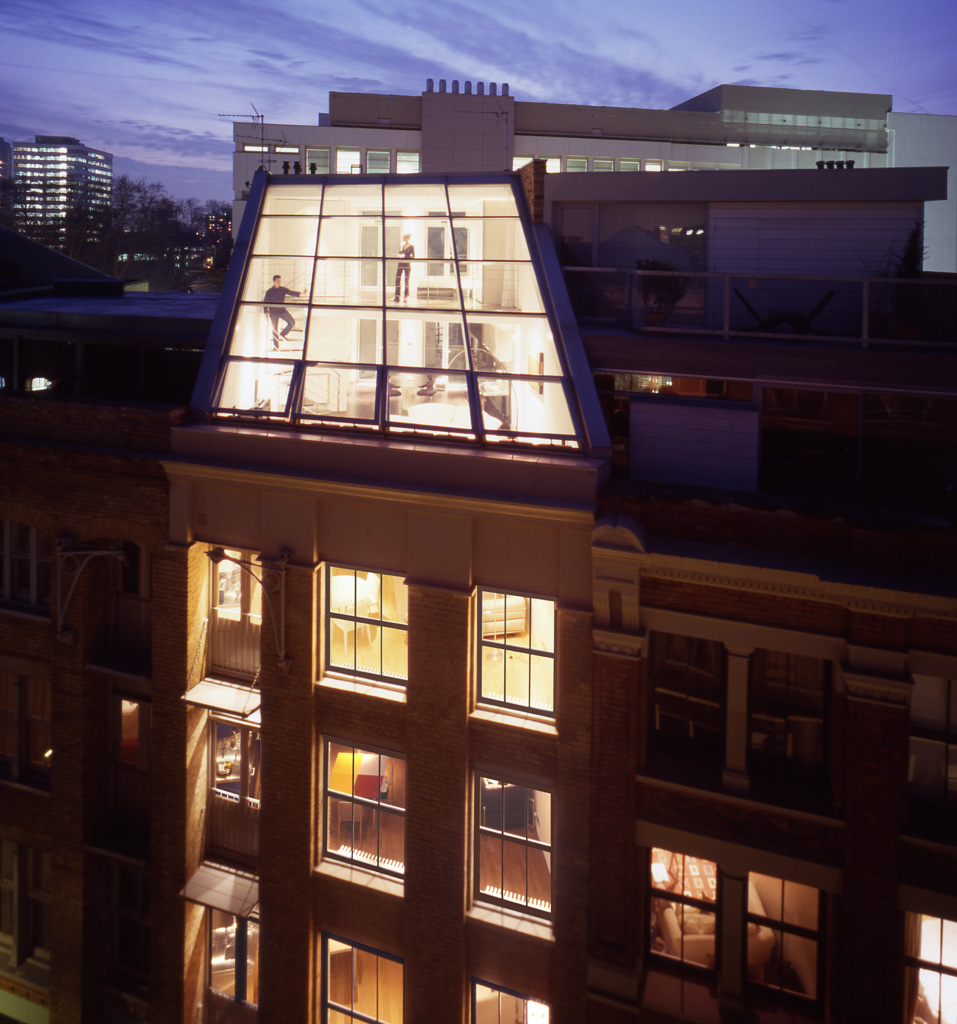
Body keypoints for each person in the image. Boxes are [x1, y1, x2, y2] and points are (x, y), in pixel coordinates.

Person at [263, 274, 300, 346]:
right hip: (273, 313)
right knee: (274, 330)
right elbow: (265, 302)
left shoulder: (282, 289)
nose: (279, 282)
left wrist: (301, 293)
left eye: (280, 281)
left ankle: (283, 333)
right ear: (274, 281)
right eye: (277, 281)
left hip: (282, 311)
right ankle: (276, 346)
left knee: (292, 322)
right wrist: (266, 312)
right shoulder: (269, 292)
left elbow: (291, 292)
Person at [393, 234, 414, 302]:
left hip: (407, 264)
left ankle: (405, 296)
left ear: (407, 238)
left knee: (406, 280)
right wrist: (399, 255)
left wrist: (406, 257)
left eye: (404, 238)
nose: (403, 239)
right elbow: (399, 253)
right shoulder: (401, 246)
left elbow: (413, 256)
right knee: (397, 279)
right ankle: (397, 295)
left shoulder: (411, 247)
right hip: (400, 264)